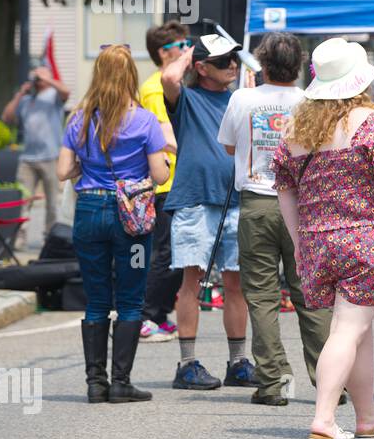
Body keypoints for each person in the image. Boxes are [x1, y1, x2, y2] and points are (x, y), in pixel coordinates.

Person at [273, 37, 374, 439]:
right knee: (347, 330)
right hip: (368, 240)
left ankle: (367, 418)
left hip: (319, 242)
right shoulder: (372, 121)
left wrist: (299, 238)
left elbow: (283, 188)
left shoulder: (294, 128)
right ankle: (323, 417)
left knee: (356, 329)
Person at [217, 32, 333, 406]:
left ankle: (272, 381)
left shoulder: (242, 99)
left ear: (263, 64)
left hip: (256, 202)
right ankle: (331, 381)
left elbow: (230, 146)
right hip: (304, 205)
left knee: (262, 296)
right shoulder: (311, 102)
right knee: (311, 294)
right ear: (299, 64)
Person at [57, 45, 170, 403]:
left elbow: (62, 171)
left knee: (96, 299)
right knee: (131, 298)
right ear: (131, 77)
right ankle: (121, 382)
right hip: (131, 222)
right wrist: (165, 160)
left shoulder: (79, 119)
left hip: (89, 212)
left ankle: (95, 383)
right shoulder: (144, 120)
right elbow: (158, 172)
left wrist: (83, 169)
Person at [161, 31, 253, 391]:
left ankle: (239, 362)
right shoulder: (186, 99)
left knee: (236, 283)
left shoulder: (238, 99)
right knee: (191, 282)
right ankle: (187, 365)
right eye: (220, 61)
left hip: (235, 199)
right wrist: (186, 52)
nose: (231, 65)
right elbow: (170, 77)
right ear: (200, 67)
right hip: (196, 199)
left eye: (233, 58)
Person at [138, 21, 189, 343]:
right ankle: (147, 315)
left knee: (177, 255)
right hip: (167, 181)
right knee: (167, 254)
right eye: (181, 46)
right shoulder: (156, 87)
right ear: (163, 52)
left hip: (176, 180)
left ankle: (158, 313)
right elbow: (164, 134)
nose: (186, 51)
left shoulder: (164, 84)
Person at [2, 65, 70, 247]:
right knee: (23, 201)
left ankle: (51, 238)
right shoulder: (26, 100)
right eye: (36, 73)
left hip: (50, 156)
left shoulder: (53, 97)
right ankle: (19, 237)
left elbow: (66, 91)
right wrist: (19, 94)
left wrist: (46, 79)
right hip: (28, 159)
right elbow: (6, 117)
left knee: (52, 203)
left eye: (42, 72)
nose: (38, 77)